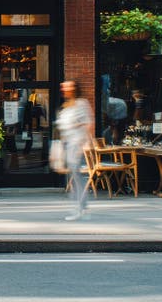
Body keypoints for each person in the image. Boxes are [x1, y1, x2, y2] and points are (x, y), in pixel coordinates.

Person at [56, 80, 94, 221]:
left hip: (76, 145)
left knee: (76, 179)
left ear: (74, 89)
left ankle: (80, 209)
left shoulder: (81, 103)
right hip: (68, 146)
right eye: (64, 87)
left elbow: (89, 123)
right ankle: (81, 207)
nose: (64, 89)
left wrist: (86, 143)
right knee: (74, 178)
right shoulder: (67, 106)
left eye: (68, 87)